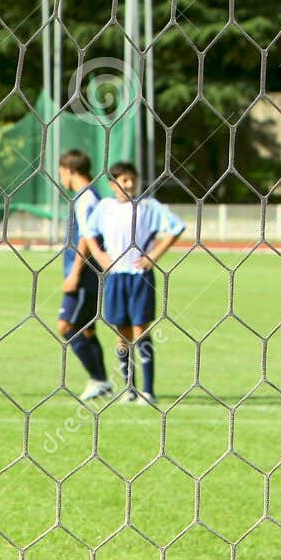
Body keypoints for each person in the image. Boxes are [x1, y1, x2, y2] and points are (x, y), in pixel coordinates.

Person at [83, 162, 185, 406]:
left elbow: (176, 227)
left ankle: (147, 391)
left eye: (132, 179)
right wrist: (100, 257)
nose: (129, 184)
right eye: (124, 180)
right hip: (116, 277)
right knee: (122, 334)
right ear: (112, 184)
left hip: (140, 278)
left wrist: (153, 256)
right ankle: (128, 388)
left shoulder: (149, 206)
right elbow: (88, 232)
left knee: (141, 331)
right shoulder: (105, 208)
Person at [56, 150, 111, 401]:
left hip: (85, 274)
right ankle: (102, 382)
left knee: (66, 326)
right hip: (91, 273)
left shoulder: (85, 198)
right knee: (87, 329)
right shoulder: (91, 195)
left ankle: (98, 379)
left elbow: (86, 238)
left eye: (60, 172)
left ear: (69, 170)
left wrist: (75, 273)